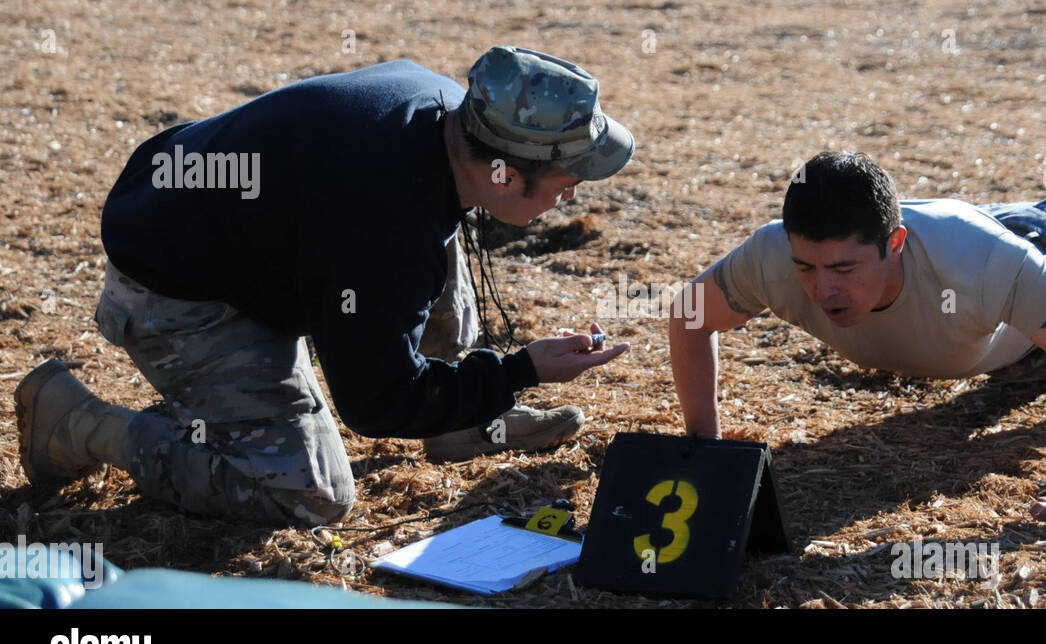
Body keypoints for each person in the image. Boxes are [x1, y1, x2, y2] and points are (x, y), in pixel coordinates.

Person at [15, 46, 634, 527]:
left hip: (268, 244)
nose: (574, 193)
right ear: (505, 175)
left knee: (433, 233)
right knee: (307, 495)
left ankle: (457, 423)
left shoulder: (455, 117)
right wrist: (519, 369)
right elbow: (377, 403)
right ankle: (79, 423)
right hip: (181, 296)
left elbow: (393, 231)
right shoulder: (378, 223)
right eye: (569, 175)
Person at [670, 151, 1046, 522]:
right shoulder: (772, 255)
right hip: (983, 319)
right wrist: (708, 450)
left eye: (844, 270)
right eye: (808, 268)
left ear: (894, 246)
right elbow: (688, 315)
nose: (822, 290)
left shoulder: (978, 266)